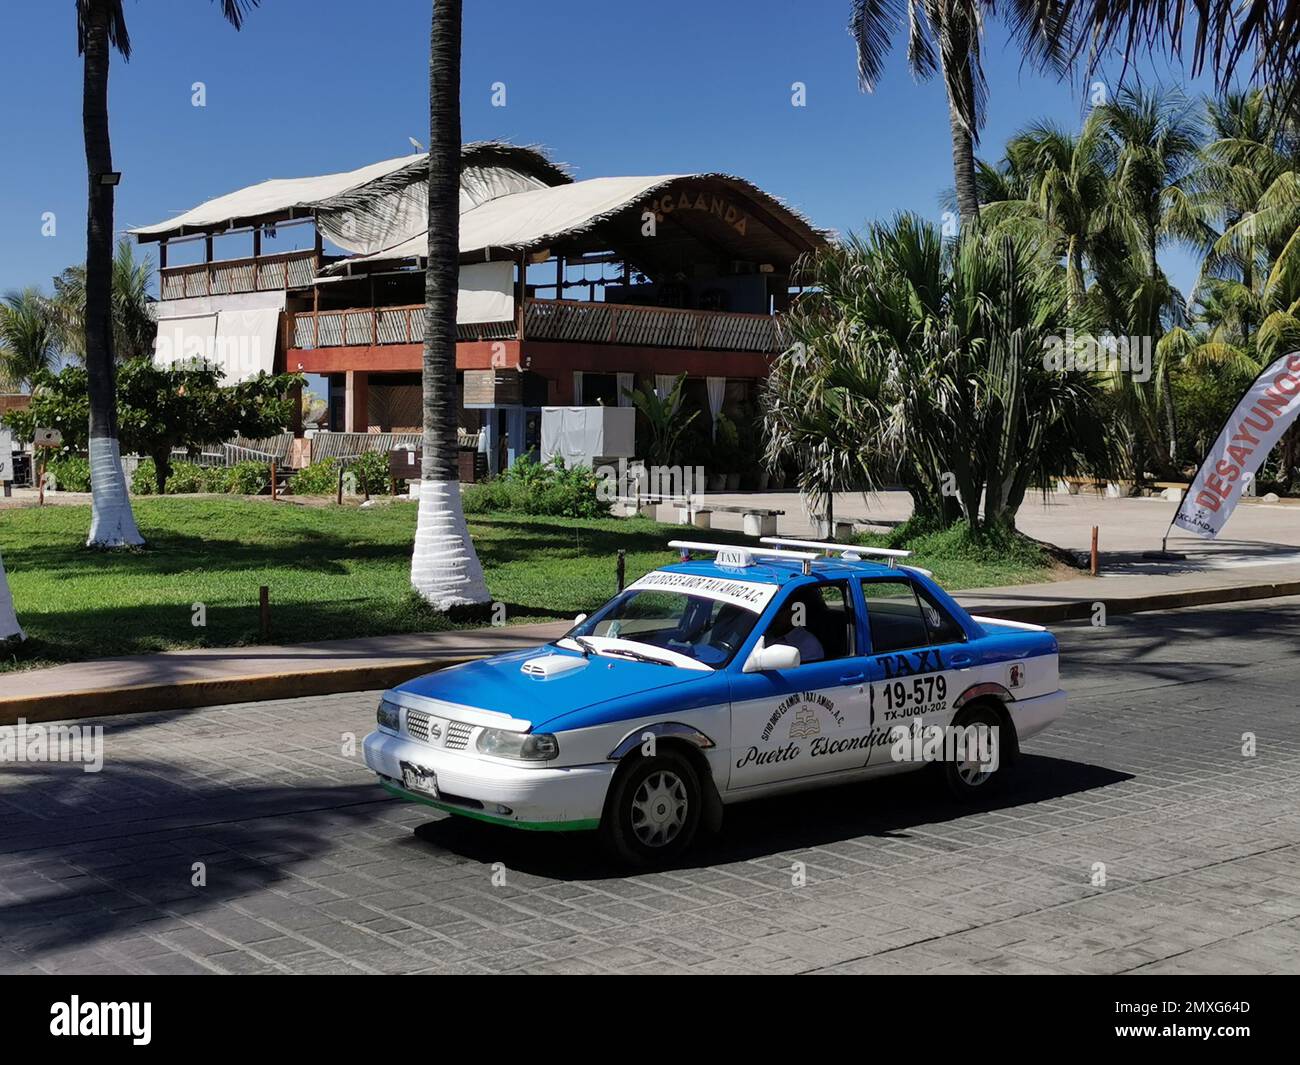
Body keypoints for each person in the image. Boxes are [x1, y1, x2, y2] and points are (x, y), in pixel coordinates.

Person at [767, 593, 824, 664]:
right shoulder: (762, 632)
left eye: (779, 611)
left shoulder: (808, 645)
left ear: (795, 612)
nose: (772, 616)